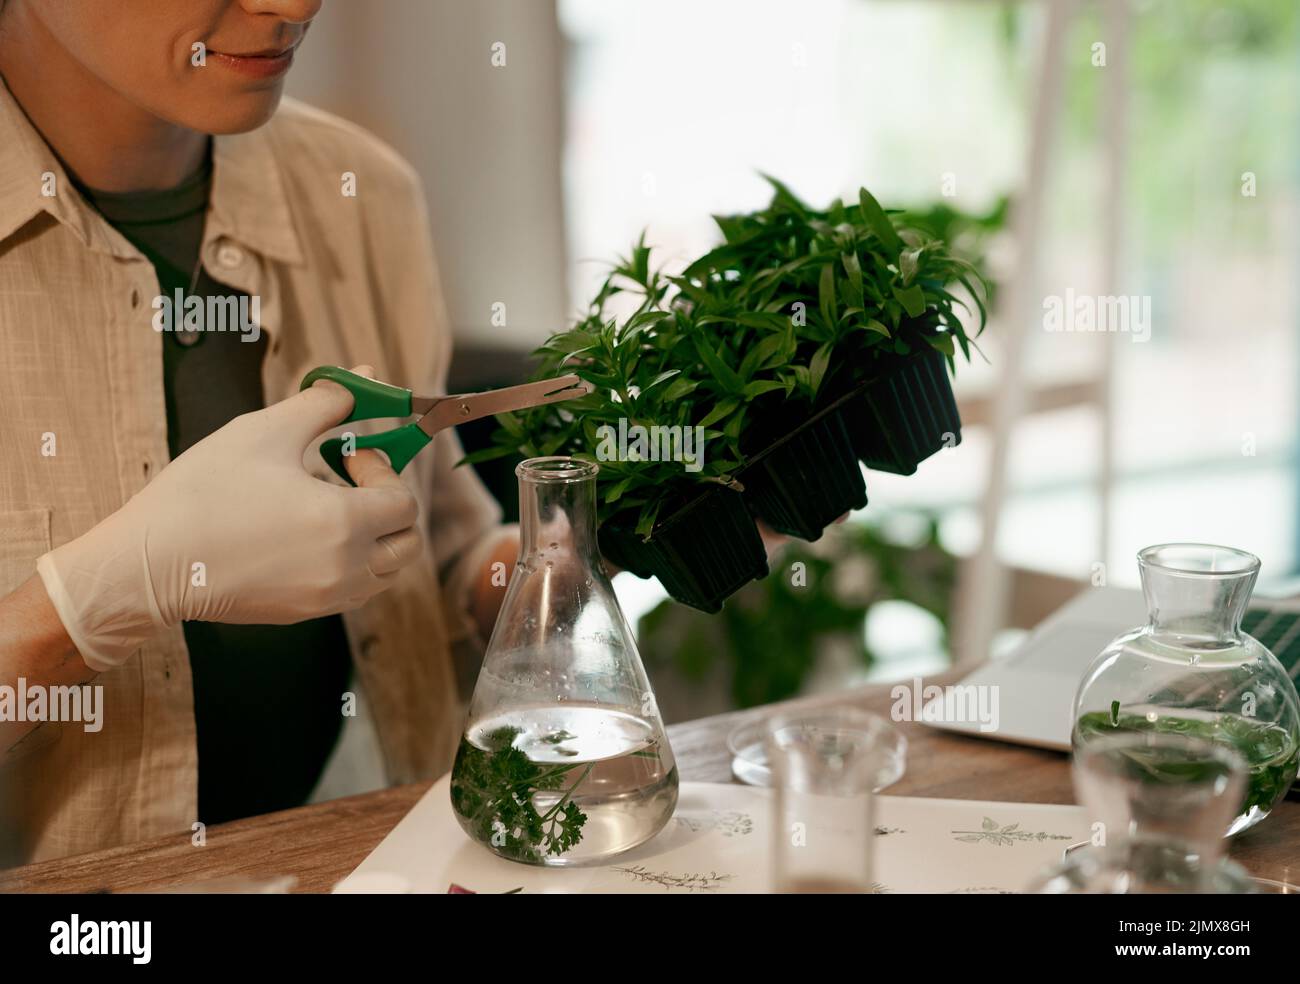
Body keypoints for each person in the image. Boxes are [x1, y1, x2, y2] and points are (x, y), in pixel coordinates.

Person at [0, 0, 521, 865]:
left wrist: (574, 554)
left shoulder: (361, 195)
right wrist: (93, 600)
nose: (295, 3)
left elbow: (441, 556)